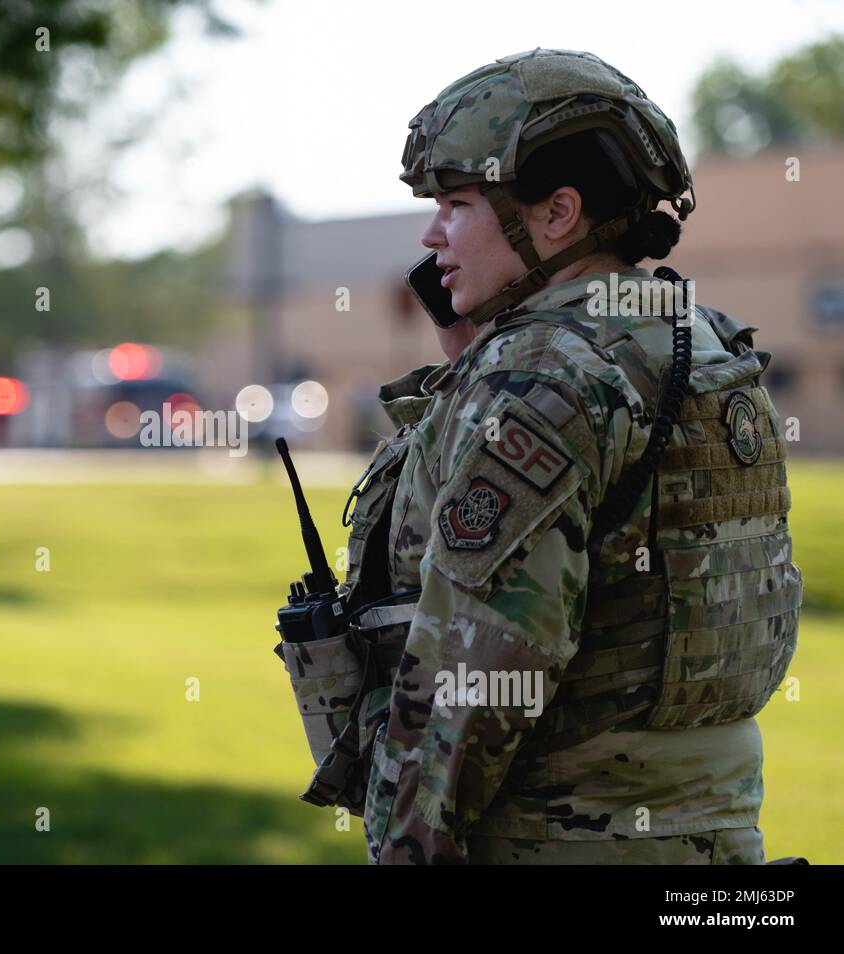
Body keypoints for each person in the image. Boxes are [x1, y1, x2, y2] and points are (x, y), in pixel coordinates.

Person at [286, 48, 802, 865]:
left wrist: (405, 848)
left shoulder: (535, 379)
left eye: (456, 204)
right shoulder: (696, 339)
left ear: (557, 212)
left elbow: (478, 676)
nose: (431, 235)